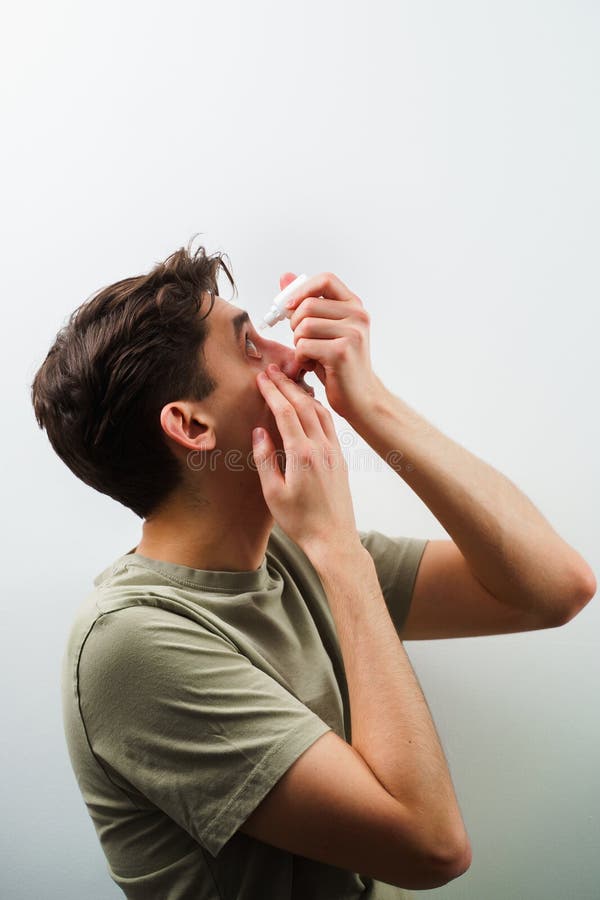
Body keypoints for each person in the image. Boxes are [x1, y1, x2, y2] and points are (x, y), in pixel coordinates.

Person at [31, 238, 596, 899]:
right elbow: (431, 849)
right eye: (250, 348)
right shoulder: (130, 646)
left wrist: (369, 402)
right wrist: (337, 551)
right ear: (190, 424)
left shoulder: (291, 558)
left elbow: (555, 589)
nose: (294, 359)